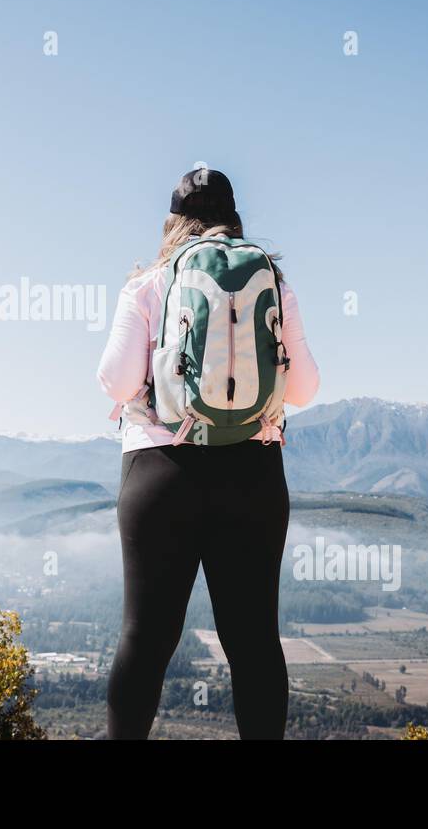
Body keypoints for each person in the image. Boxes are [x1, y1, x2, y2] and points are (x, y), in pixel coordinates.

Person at [96, 168, 320, 739]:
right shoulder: (271, 280)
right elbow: (304, 389)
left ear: (173, 220)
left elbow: (118, 382)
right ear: (234, 217)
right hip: (253, 473)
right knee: (253, 642)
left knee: (144, 640)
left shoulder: (148, 283)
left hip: (161, 472)